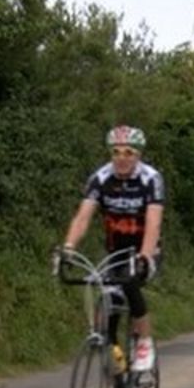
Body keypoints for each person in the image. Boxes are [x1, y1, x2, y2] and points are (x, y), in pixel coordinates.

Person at [59, 125, 164, 373]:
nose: (121, 158)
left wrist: (145, 257)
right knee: (108, 314)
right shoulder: (101, 178)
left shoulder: (151, 179)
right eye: (116, 152)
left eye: (128, 152)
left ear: (138, 155)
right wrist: (68, 248)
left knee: (130, 283)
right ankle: (114, 386)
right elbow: (83, 217)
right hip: (115, 252)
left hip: (145, 250)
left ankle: (145, 343)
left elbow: (153, 222)